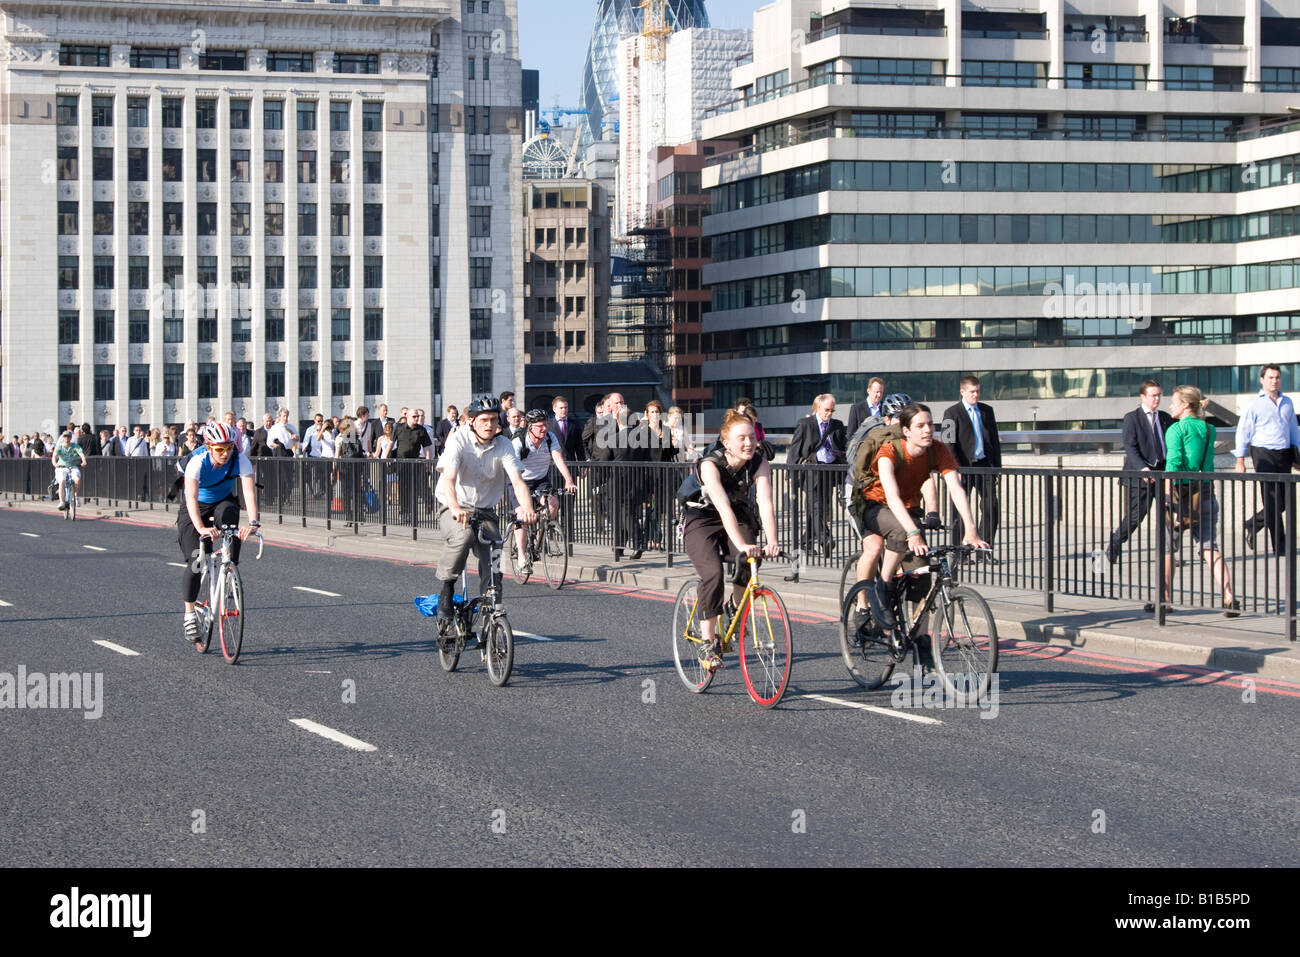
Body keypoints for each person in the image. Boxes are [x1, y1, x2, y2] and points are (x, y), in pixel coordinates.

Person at [859, 403, 988, 632]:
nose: (928, 430)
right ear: (906, 431)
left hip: (908, 510)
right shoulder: (889, 451)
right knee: (901, 531)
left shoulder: (937, 450)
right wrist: (914, 533)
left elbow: (956, 488)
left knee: (922, 577)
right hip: (876, 507)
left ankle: (921, 642)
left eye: (930, 424)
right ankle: (883, 586)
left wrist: (971, 529)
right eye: (920, 426)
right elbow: (893, 498)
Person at [677, 410, 781, 671]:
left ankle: (735, 607)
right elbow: (722, 507)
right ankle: (707, 642)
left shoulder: (759, 462)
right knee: (712, 574)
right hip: (700, 517)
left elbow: (765, 502)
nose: (749, 443)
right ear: (726, 443)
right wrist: (742, 544)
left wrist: (773, 540)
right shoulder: (710, 464)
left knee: (751, 557)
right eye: (741, 438)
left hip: (738, 513)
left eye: (752, 437)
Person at [432, 395, 535, 633]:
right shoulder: (459, 440)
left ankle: (493, 610)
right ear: (471, 421)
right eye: (483, 420)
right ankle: (447, 588)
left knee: (496, 555)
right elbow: (449, 478)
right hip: (454, 506)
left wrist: (527, 509)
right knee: (464, 536)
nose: (489, 425)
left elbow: (517, 482)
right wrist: (456, 508)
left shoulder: (504, 445)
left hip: (485, 511)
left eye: (493, 419)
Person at [843, 393, 937, 595]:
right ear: (886, 420)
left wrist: (933, 511)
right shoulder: (880, 442)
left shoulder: (913, 445)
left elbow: (925, 478)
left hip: (892, 501)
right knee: (874, 547)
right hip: (861, 495)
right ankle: (862, 605)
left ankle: (894, 596)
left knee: (903, 546)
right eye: (897, 418)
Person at [177, 421, 261, 645]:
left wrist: (253, 522)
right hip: (195, 508)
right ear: (209, 446)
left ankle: (229, 568)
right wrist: (201, 528)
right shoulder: (197, 461)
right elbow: (191, 499)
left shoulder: (240, 460)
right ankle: (189, 614)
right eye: (219, 449)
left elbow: (248, 492)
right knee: (197, 559)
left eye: (229, 448)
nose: (225, 454)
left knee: (231, 514)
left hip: (222, 502)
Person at [1159, 385, 1239, 617]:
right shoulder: (1209, 428)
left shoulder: (1176, 430)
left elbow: (1172, 464)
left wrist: (1166, 494)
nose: (1171, 406)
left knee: (1168, 549)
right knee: (1209, 547)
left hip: (1179, 494)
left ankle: (1165, 601)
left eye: (1174, 402)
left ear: (1185, 405)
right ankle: (1229, 596)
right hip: (1204, 491)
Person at [1233, 363, 1300, 555]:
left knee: (1284, 502)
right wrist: (1240, 460)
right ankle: (1280, 547)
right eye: (1270, 377)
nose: (1274, 380)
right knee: (1271, 500)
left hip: (1284, 454)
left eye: (1277, 377)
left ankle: (1252, 523)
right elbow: (1243, 431)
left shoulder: (1287, 402)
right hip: (1263, 454)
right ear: (1262, 380)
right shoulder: (1254, 404)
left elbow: (1293, 430)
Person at [1107, 380, 1172, 564]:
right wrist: (1143, 468)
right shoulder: (1132, 418)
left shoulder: (1165, 418)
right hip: (1139, 475)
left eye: (1159, 394)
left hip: (1161, 473)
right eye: (1153, 395)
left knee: (1168, 515)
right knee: (1136, 516)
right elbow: (1130, 446)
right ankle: (1115, 542)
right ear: (1143, 397)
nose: (1157, 398)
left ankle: (1167, 554)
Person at [509, 409, 579, 574]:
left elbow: (558, 459)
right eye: (540, 426)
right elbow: (514, 473)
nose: (544, 428)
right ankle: (521, 556)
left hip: (540, 480)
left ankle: (541, 536)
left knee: (553, 504)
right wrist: (525, 502)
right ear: (530, 427)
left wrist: (569, 480)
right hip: (519, 480)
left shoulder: (550, 438)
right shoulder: (519, 441)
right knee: (523, 516)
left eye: (546, 425)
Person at [942, 375, 1002, 555]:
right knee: (960, 509)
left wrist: (996, 468)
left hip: (984, 465)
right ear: (962, 392)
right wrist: (954, 469)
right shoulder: (951, 413)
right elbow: (947, 443)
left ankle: (985, 548)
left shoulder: (987, 411)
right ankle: (960, 551)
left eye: (978, 391)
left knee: (991, 506)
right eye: (972, 392)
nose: (976, 395)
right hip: (962, 467)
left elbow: (994, 441)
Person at [787, 394, 846, 558]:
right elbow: (794, 449)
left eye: (832, 410)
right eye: (827, 410)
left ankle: (805, 543)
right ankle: (825, 538)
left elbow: (843, 446)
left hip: (829, 471)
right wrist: (790, 474)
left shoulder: (837, 425)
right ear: (818, 408)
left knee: (820, 507)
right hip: (811, 470)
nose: (829, 413)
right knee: (815, 505)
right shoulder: (805, 424)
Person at [628, 399, 677, 550]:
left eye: (657, 412)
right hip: (649, 475)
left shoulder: (666, 430)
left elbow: (672, 453)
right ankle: (653, 538)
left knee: (659, 509)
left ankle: (651, 537)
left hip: (664, 474)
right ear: (647, 415)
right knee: (651, 508)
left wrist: (673, 444)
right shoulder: (643, 432)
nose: (655, 415)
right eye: (652, 412)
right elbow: (641, 454)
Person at [52, 431, 87, 510]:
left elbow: (81, 453)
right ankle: (62, 501)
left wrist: (84, 461)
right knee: (62, 481)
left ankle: (75, 496)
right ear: (62, 438)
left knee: (77, 479)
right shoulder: (59, 446)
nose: (66, 438)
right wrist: (55, 463)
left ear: (71, 438)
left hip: (72, 466)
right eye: (65, 437)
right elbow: (54, 456)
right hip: (61, 467)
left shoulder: (75, 446)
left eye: (68, 437)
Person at [546, 397, 585, 462]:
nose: (564, 410)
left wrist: (583, 466)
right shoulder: (548, 425)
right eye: (561, 408)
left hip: (571, 464)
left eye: (566, 407)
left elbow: (579, 446)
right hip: (553, 464)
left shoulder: (574, 424)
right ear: (554, 409)